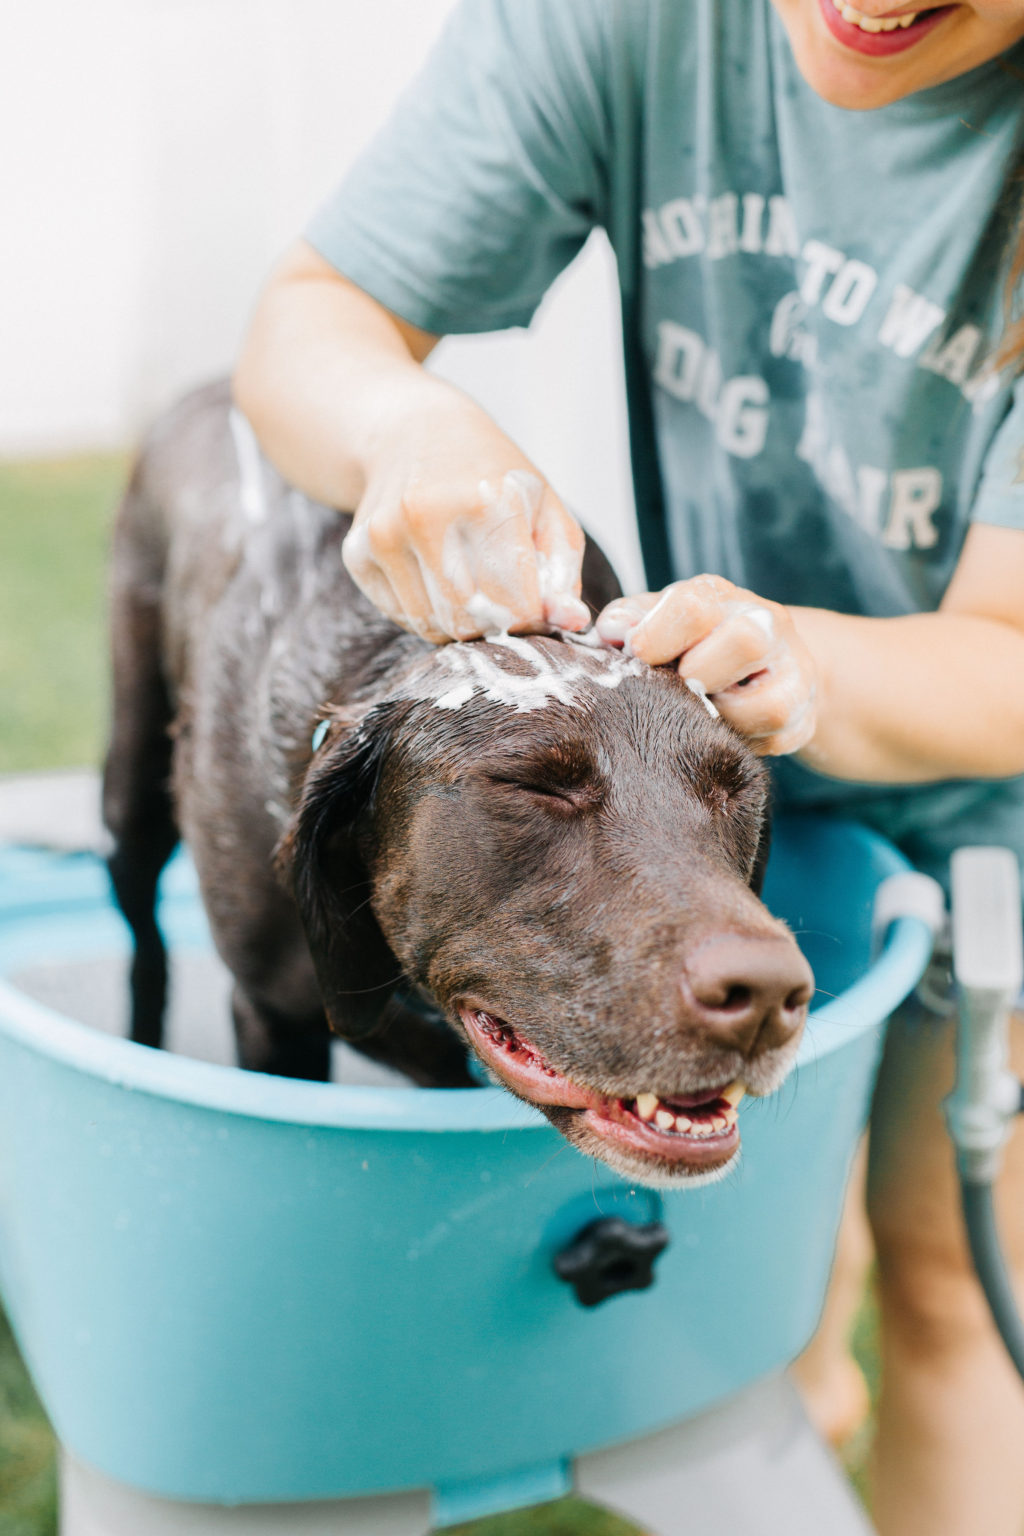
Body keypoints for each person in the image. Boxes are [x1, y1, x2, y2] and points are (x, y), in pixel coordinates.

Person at [233, 2, 1024, 1531]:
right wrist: (403, 421)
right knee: (771, 1282)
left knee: (949, 1287)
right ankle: (790, 1396)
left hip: (993, 806)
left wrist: (813, 666)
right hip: (695, 797)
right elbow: (309, 316)